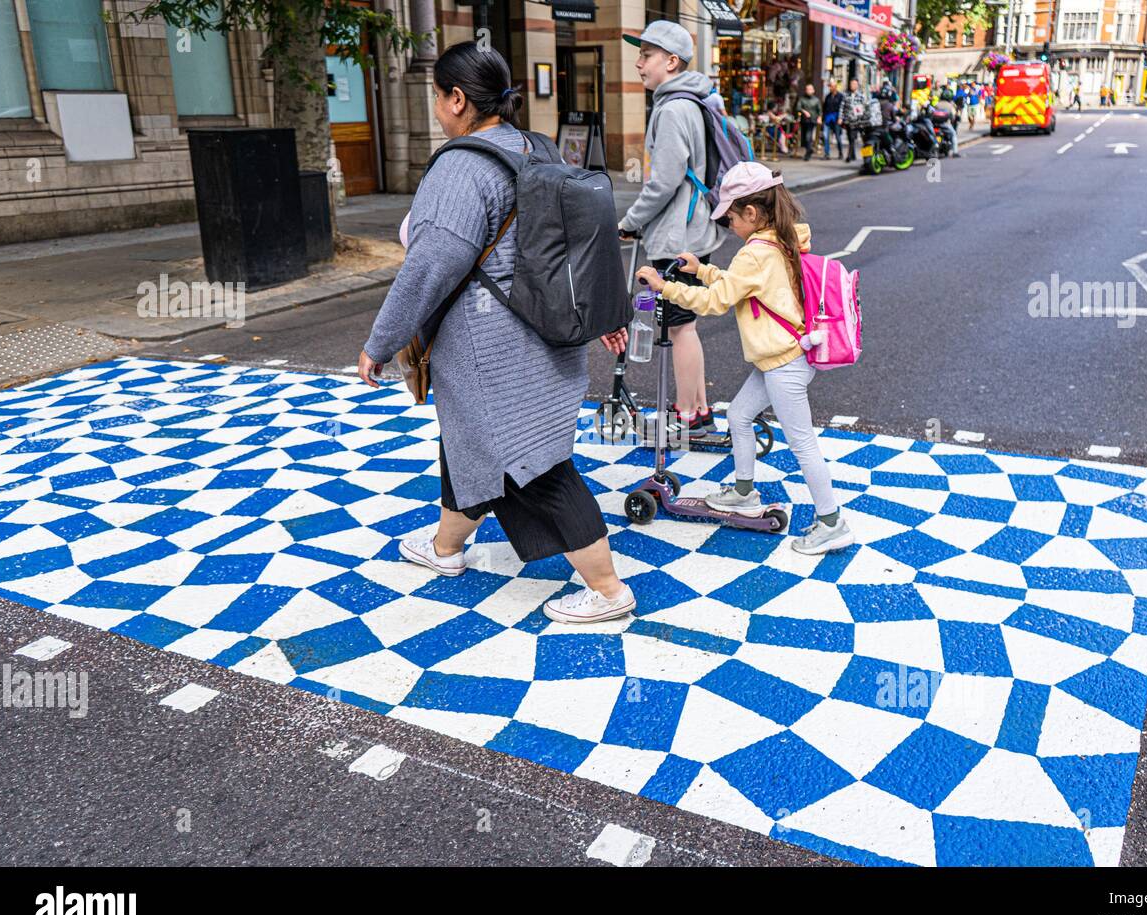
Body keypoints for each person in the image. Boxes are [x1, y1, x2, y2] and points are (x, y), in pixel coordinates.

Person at [358, 42, 635, 625]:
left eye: (437, 96)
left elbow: (432, 262)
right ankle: (445, 547)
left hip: (494, 348)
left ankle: (609, 590)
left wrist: (381, 342)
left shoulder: (462, 165)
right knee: (470, 441)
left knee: (535, 464)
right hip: (548, 332)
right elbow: (577, 244)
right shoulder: (536, 146)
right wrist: (606, 314)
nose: (436, 106)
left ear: (457, 99)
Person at [628, 163, 855, 555]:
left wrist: (666, 288)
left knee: (802, 443)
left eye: (730, 216)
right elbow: (738, 285)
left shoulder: (756, 254)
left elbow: (717, 301)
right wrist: (702, 269)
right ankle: (744, 491)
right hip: (780, 359)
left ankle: (832, 522)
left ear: (751, 213)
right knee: (737, 417)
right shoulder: (779, 241)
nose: (728, 224)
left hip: (784, 364)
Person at [617, 20, 727, 438]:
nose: (639, 62)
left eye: (647, 55)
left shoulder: (673, 108)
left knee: (679, 327)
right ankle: (697, 410)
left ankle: (686, 415)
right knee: (686, 326)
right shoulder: (692, 101)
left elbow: (663, 181)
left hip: (678, 237)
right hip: (694, 232)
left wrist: (629, 221)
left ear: (672, 60)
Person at [839, 77, 869, 163]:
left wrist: (864, 117)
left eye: (854, 84)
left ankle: (850, 156)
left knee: (856, 139)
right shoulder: (846, 95)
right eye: (851, 84)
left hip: (858, 121)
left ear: (857, 85)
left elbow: (865, 107)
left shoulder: (861, 96)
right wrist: (840, 117)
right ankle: (853, 155)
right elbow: (842, 107)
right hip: (848, 120)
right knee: (851, 138)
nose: (852, 86)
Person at [796, 83, 822, 160]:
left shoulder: (816, 100)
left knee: (808, 137)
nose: (809, 91)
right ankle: (809, 149)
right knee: (804, 139)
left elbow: (819, 111)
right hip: (804, 121)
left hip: (812, 121)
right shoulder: (802, 99)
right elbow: (798, 107)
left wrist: (819, 118)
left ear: (813, 90)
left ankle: (808, 153)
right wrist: (804, 111)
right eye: (807, 89)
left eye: (810, 89)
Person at [822, 79, 845, 159]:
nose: (830, 88)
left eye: (831, 86)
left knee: (838, 137)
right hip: (827, 118)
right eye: (830, 87)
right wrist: (823, 118)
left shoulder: (840, 96)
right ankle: (827, 153)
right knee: (826, 137)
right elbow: (824, 108)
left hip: (836, 118)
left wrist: (840, 118)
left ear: (835, 87)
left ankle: (840, 152)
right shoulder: (828, 96)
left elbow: (842, 108)